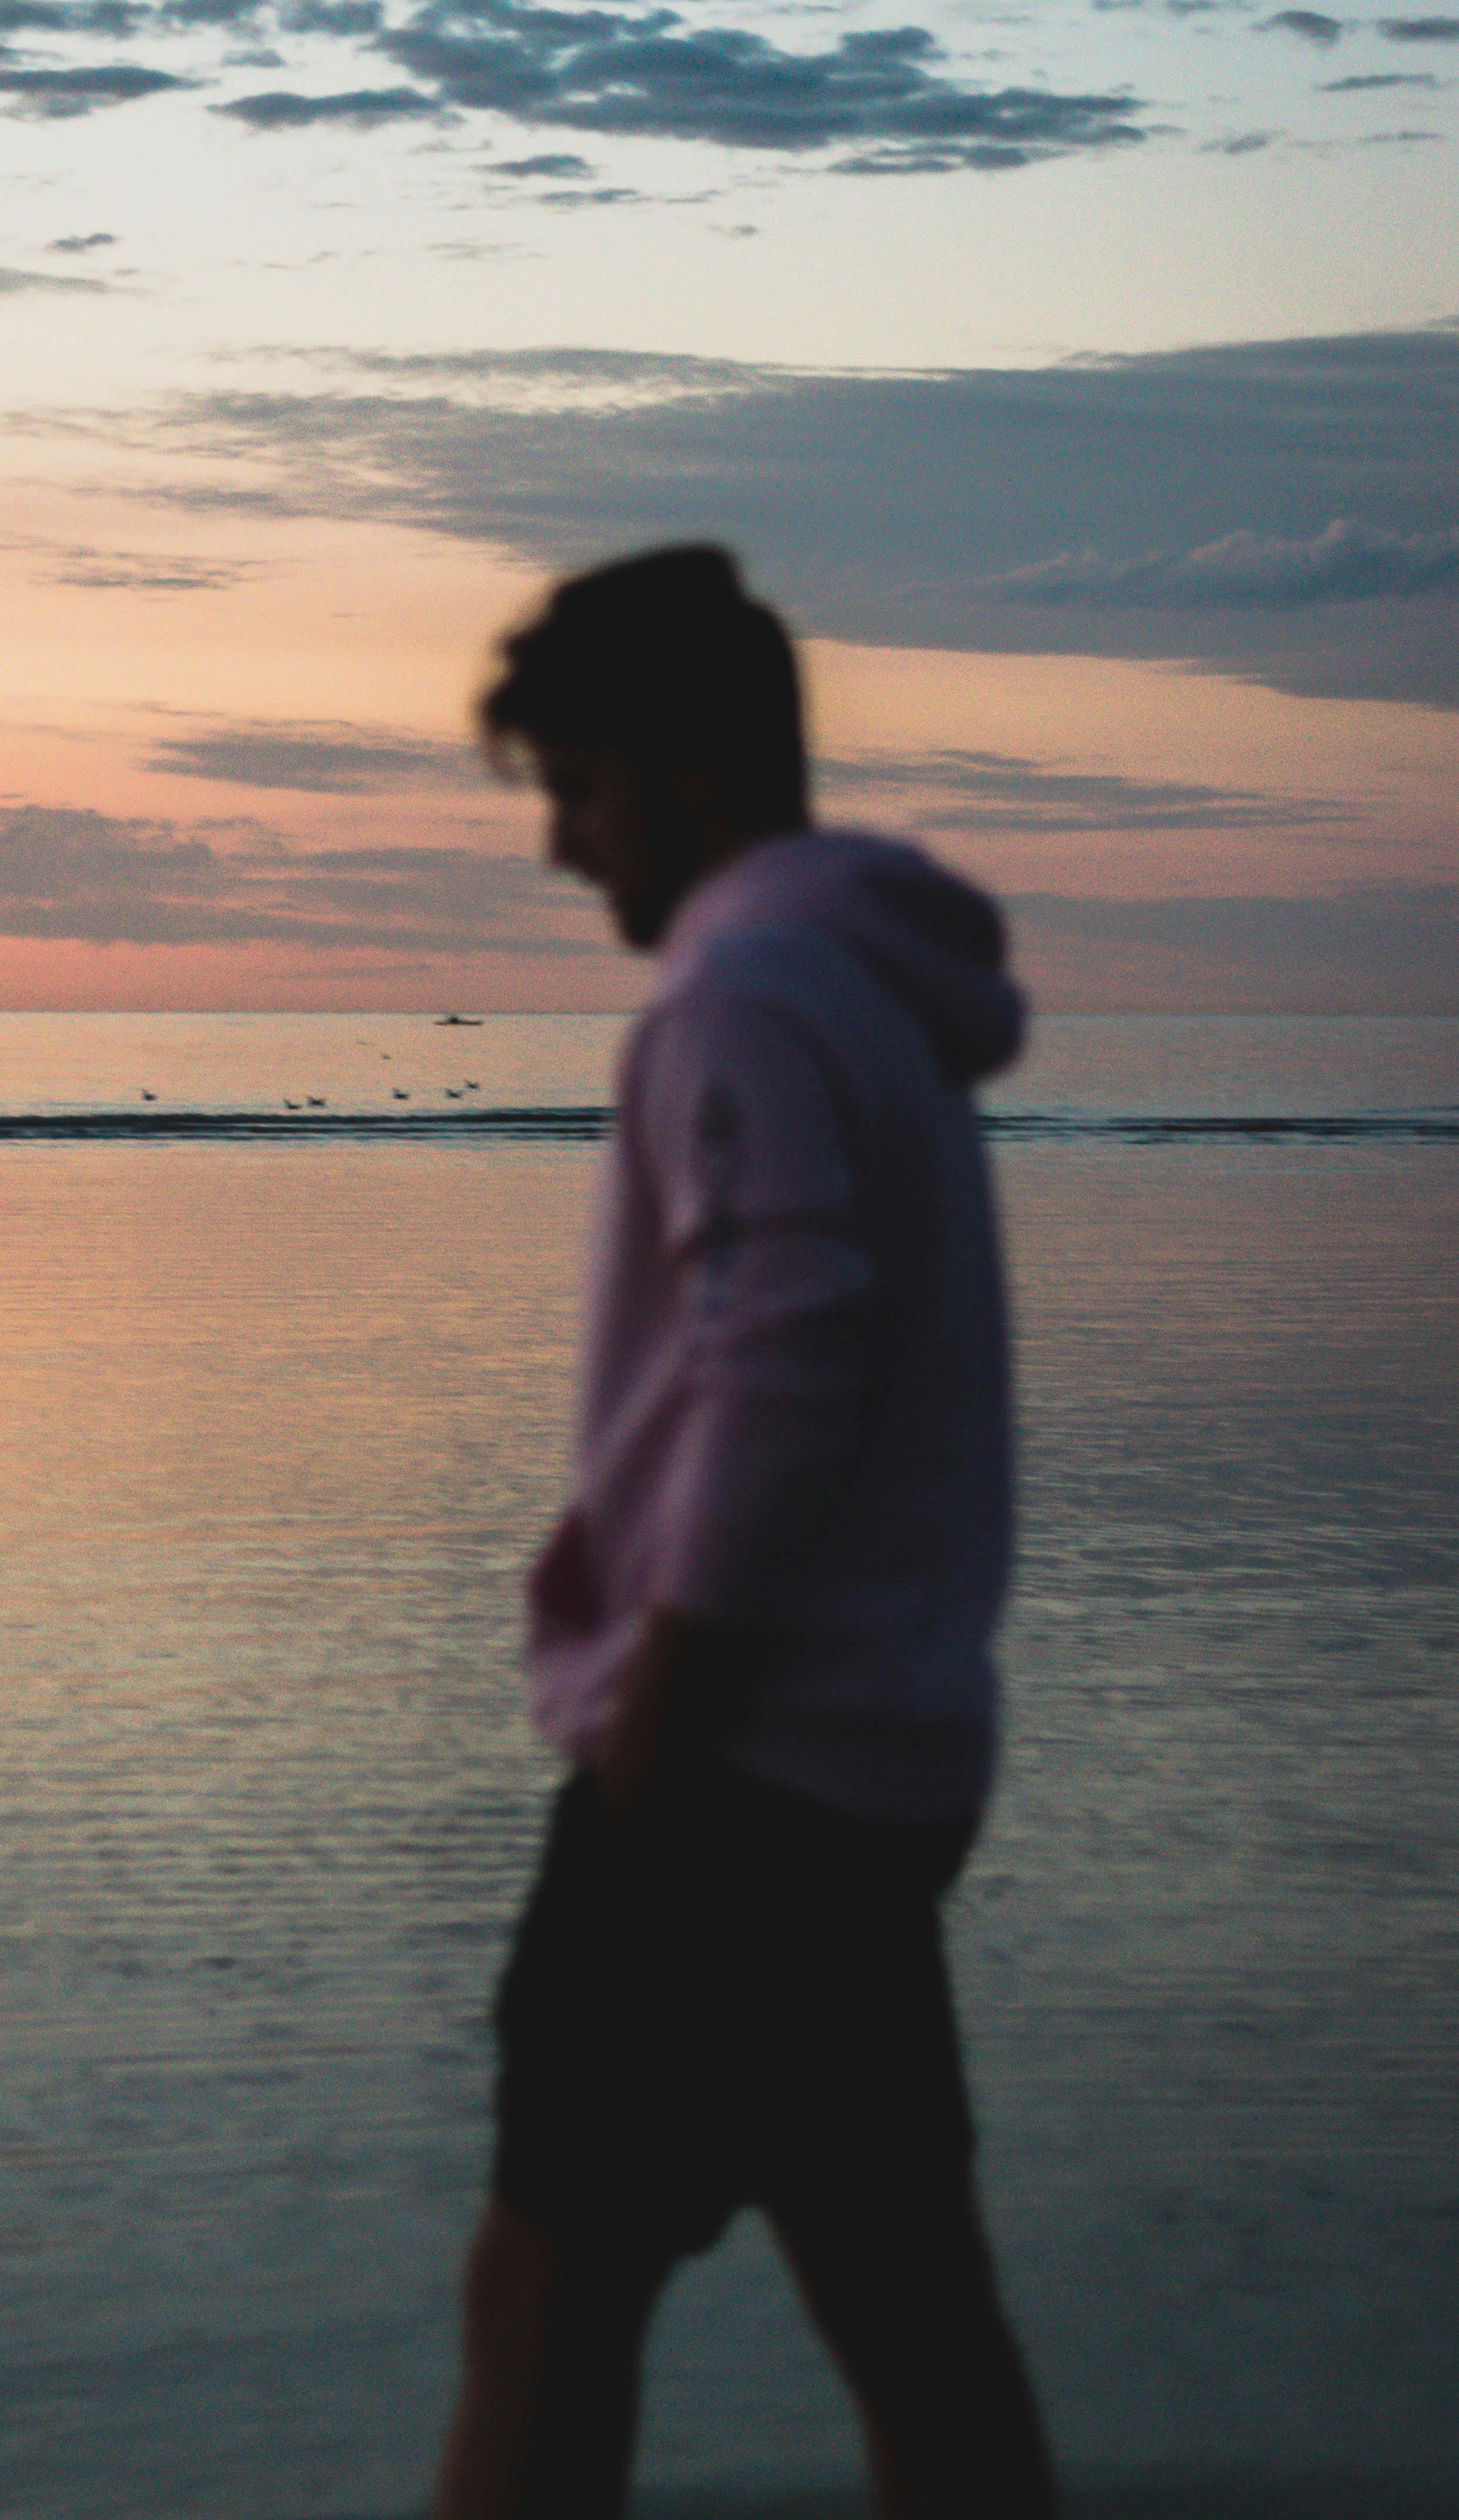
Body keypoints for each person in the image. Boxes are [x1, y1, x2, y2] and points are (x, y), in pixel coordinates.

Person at [429, 546, 1055, 2520]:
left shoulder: (741, 993)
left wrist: (656, 1710)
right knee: (911, 2317)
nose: (558, 847)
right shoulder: (859, 989)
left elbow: (781, 1347)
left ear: (695, 772)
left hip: (731, 1769)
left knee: (543, 2299)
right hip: (867, 1762)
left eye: (580, 789)